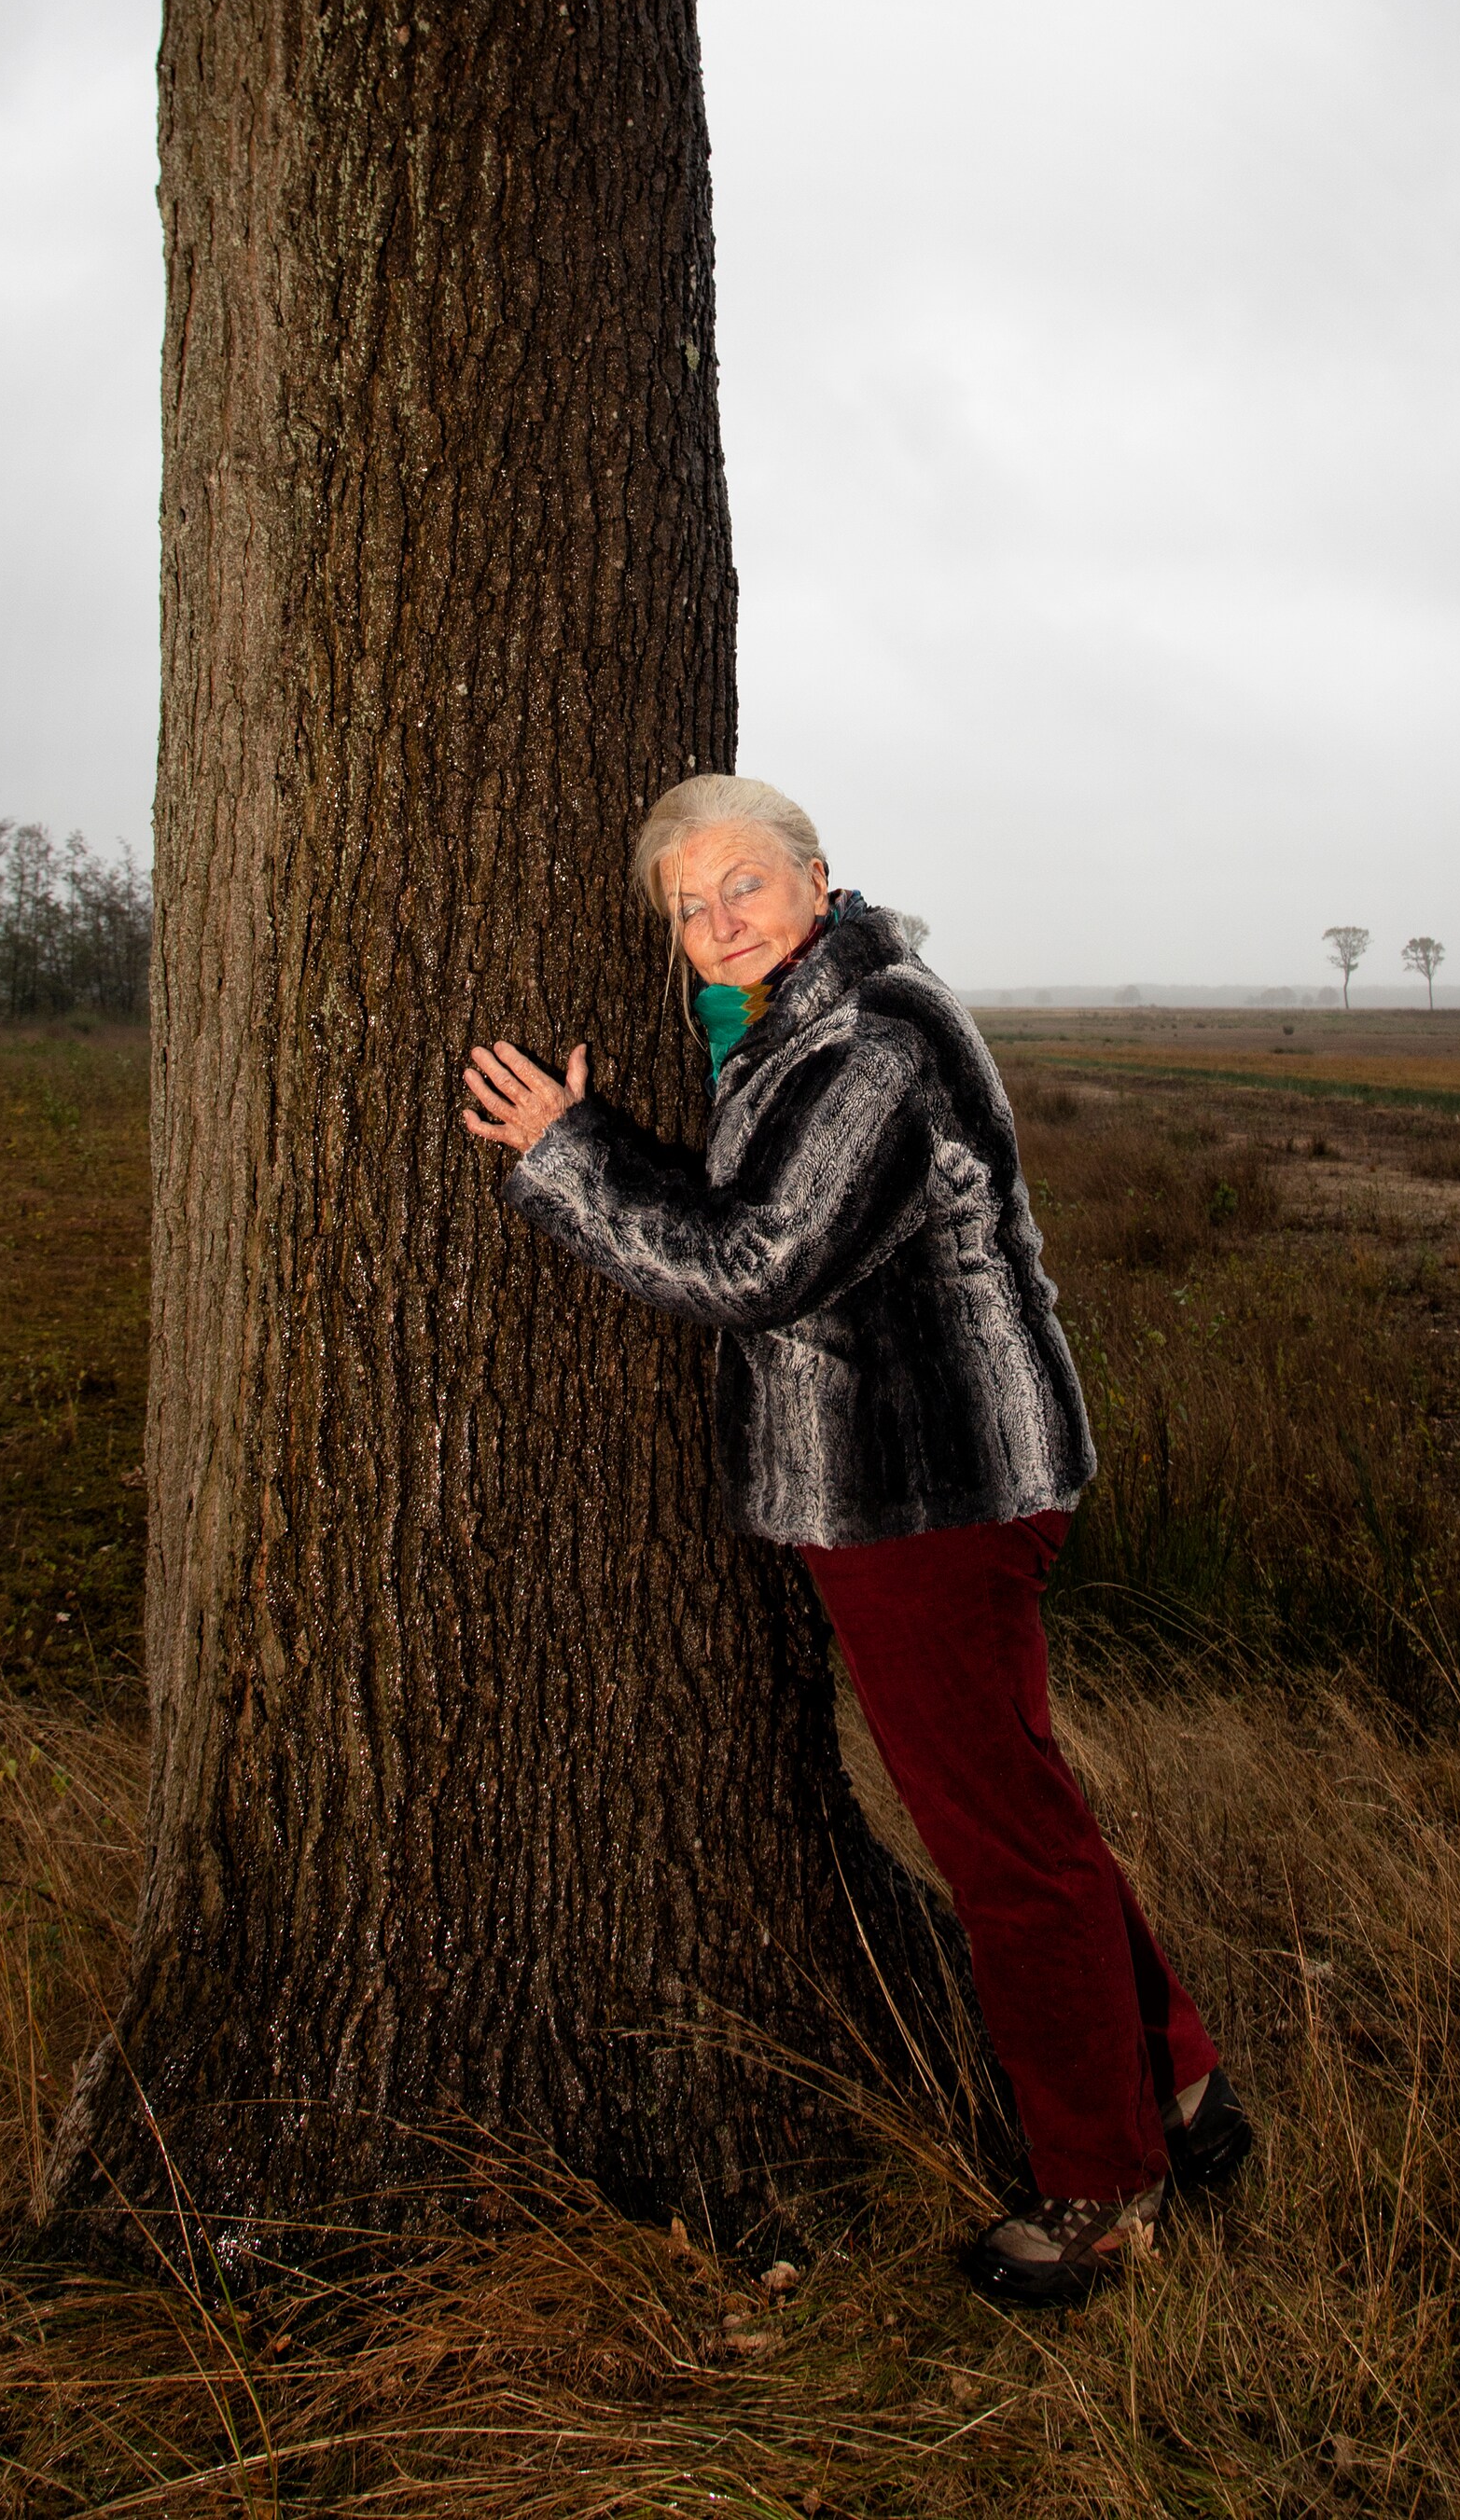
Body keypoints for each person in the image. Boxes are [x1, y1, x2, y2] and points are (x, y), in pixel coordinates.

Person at [461, 771, 1251, 2306]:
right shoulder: (806, 1025)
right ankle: (1182, 2088)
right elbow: (760, 1206)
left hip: (930, 1494)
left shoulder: (872, 1045)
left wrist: (561, 1159)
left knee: (1001, 1848)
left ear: (816, 875)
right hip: (926, 1488)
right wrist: (614, 1135)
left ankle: (1101, 2187)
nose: (712, 922)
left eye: (737, 885)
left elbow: (755, 1260)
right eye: (686, 909)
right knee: (1023, 1805)